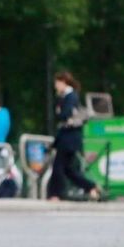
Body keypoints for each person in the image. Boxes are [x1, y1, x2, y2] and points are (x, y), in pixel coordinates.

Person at [49, 71, 100, 200]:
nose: (56, 86)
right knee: (68, 170)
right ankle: (91, 187)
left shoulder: (71, 96)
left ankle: (56, 194)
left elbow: (64, 114)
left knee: (58, 166)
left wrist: (60, 111)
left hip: (69, 137)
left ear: (63, 82)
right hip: (67, 137)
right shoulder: (64, 96)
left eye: (57, 83)